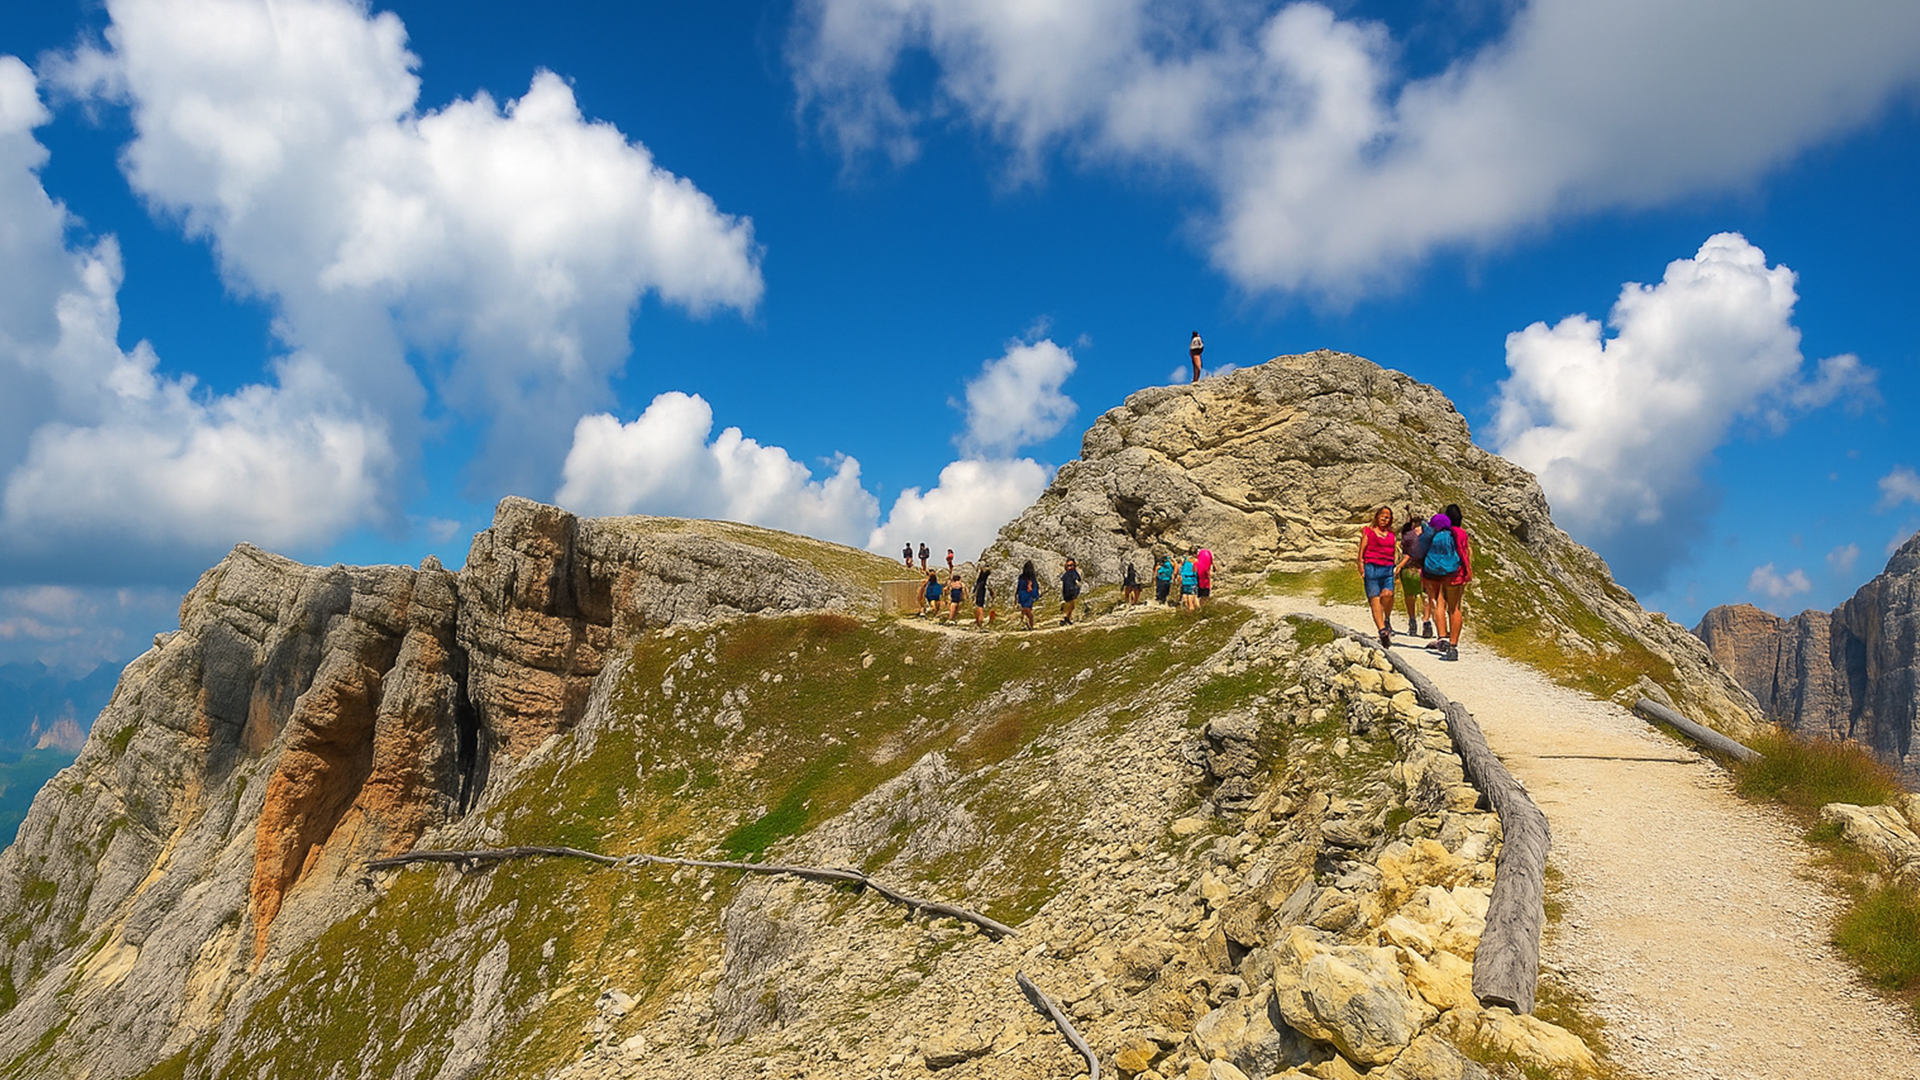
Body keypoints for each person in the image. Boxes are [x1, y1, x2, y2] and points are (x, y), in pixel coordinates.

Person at [1421, 507, 1472, 661]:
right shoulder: (1461, 533)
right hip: (1456, 573)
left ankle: (1442, 638)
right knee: (1455, 608)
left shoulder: (1439, 532)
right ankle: (1453, 646)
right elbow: (1466, 552)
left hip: (1436, 572)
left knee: (1438, 603)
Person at [1358, 506, 1398, 647]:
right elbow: (1362, 550)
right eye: (1382, 515)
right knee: (1375, 601)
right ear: (1377, 516)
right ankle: (1382, 632)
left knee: (1388, 594)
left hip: (1387, 568)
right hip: (1372, 568)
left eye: (1387, 517)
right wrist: (1361, 565)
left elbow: (1393, 553)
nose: (1384, 518)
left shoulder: (1392, 535)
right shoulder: (1368, 532)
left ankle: (1386, 619)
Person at [1397, 509, 1433, 637]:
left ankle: (1412, 621)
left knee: (1410, 595)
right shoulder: (1429, 532)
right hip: (1425, 567)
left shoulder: (1406, 533)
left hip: (1408, 568)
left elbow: (1405, 548)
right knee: (1426, 596)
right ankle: (1426, 622)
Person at [1016, 561, 1040, 630]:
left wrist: (1017, 595)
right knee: (1029, 610)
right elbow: (1035, 586)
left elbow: (1019, 586)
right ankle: (1030, 625)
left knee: (1024, 610)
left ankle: (1025, 624)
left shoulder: (1021, 577)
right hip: (1028, 594)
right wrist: (1036, 595)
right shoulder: (1032, 577)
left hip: (1022, 594)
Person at [1059, 559, 1083, 625]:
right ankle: (1065, 619)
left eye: (1072, 565)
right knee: (1069, 606)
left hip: (1073, 592)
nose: (1071, 567)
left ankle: (1067, 619)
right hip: (1067, 592)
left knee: (1072, 606)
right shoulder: (1066, 575)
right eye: (1069, 565)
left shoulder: (1074, 573)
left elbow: (1078, 580)